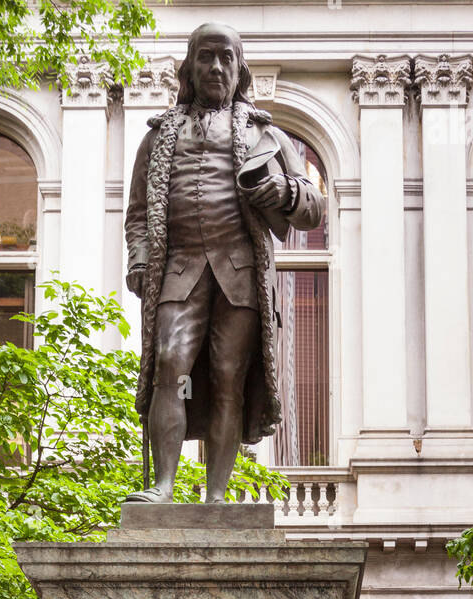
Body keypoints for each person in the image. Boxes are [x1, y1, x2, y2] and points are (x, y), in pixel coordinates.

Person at [124, 22, 324, 504]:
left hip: (239, 274)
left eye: (226, 58)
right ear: (190, 68)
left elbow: (315, 206)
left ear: (240, 70)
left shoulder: (266, 135)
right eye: (206, 56)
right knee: (169, 366)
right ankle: (164, 487)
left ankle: (217, 496)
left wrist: (287, 190)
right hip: (178, 270)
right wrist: (139, 259)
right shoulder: (157, 139)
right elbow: (136, 213)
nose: (216, 66)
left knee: (229, 377)